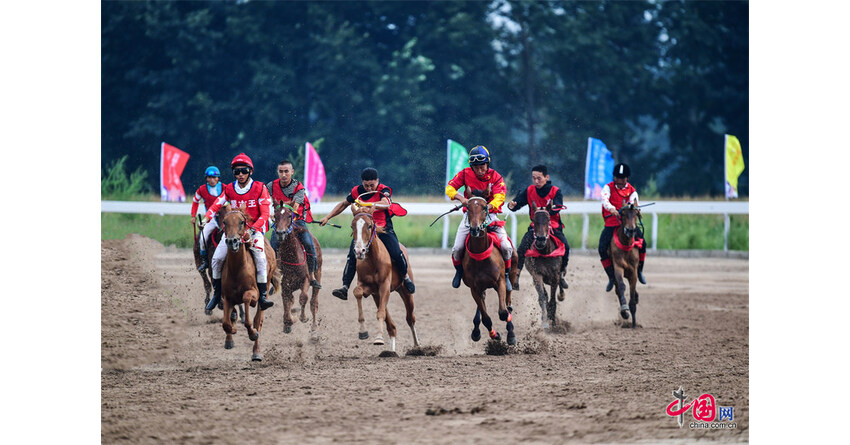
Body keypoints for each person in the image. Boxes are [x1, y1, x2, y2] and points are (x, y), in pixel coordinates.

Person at [319, 167, 415, 300]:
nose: (369, 188)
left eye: (372, 185)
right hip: (364, 229)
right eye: (366, 185)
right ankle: (345, 287)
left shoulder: (384, 189)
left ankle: (406, 278)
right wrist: (328, 217)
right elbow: (343, 204)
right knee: (352, 255)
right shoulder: (357, 191)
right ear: (362, 183)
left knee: (396, 252)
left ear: (377, 181)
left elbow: (386, 204)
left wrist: (366, 203)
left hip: (383, 228)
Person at [202, 153, 275, 314]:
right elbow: (216, 205)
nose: (240, 174)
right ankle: (217, 295)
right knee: (216, 259)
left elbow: (264, 214)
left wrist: (254, 229)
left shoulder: (260, 188)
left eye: (243, 171)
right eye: (237, 172)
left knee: (261, 260)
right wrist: (207, 217)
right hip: (233, 231)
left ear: (250, 171)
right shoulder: (229, 188)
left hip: (253, 231)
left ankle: (262, 296)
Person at [445, 145, 514, 290]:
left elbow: (500, 197)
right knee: (457, 248)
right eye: (475, 166)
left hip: (490, 215)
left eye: (482, 166)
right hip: (470, 215)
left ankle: (506, 274)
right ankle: (459, 272)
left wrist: (487, 207)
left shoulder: (496, 177)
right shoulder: (464, 174)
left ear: (487, 164)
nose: (479, 169)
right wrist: (461, 199)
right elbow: (449, 188)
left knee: (507, 247)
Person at [507, 164, 570, 290]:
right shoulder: (530, 190)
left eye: (539, 178)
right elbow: (517, 202)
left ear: (547, 177)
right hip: (535, 226)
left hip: (553, 225)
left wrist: (550, 210)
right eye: (534, 178)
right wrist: (512, 205)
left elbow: (558, 205)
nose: (536, 181)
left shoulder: (556, 191)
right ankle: (517, 275)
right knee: (522, 246)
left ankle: (561, 274)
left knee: (566, 247)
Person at [266, 160, 321, 288]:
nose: (284, 174)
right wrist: (270, 212)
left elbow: (294, 207)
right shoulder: (270, 186)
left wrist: (281, 210)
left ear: (292, 172)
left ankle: (312, 275)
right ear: (278, 172)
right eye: (281, 171)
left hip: (296, 220)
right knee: (272, 246)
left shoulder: (299, 188)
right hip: (280, 221)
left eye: (286, 171)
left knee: (308, 243)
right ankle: (271, 276)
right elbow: (265, 200)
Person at [599, 162, 647, 291]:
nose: (619, 181)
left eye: (622, 178)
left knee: (643, 242)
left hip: (627, 222)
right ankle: (611, 277)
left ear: (627, 178)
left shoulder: (632, 191)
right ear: (614, 177)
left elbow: (632, 204)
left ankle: (640, 270)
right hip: (611, 223)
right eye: (617, 178)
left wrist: (632, 209)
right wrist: (612, 209)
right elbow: (605, 200)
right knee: (602, 247)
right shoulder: (607, 188)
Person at [191, 166, 223, 272]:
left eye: (215, 177)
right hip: (211, 219)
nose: (212, 180)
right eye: (210, 177)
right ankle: (205, 260)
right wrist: (193, 216)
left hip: (224, 218)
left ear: (218, 178)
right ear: (206, 178)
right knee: (202, 238)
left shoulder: (225, 188)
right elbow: (195, 201)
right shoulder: (202, 189)